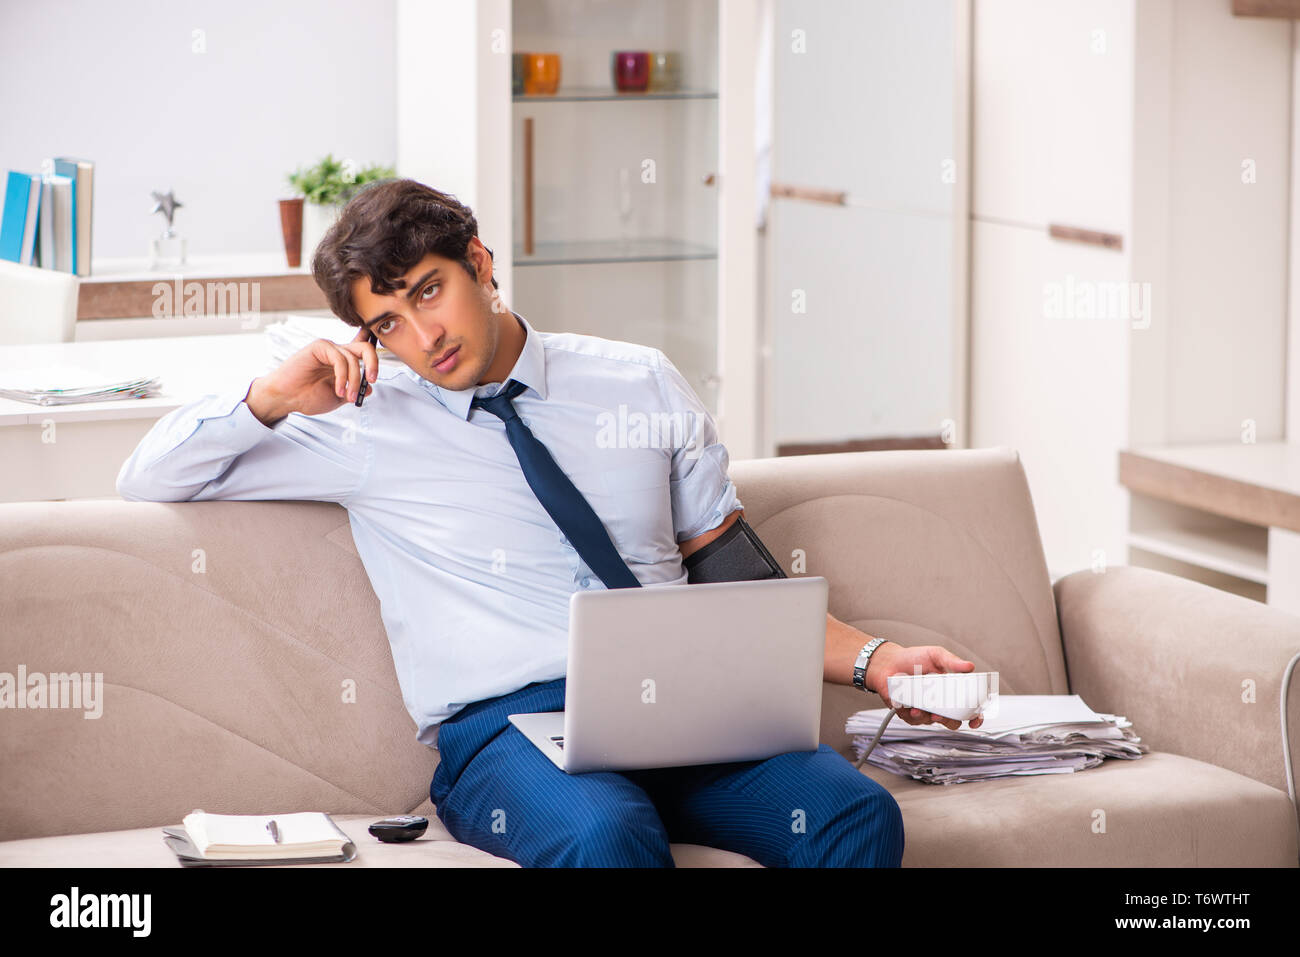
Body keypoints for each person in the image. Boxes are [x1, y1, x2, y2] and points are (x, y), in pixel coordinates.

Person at [116, 177, 982, 868]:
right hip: (511, 730)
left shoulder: (638, 382)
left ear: (481, 261)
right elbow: (147, 476)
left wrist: (878, 661)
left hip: (686, 700)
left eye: (431, 291)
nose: (424, 336)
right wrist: (269, 396)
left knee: (853, 815)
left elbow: (737, 585)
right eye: (389, 322)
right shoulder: (363, 425)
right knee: (605, 835)